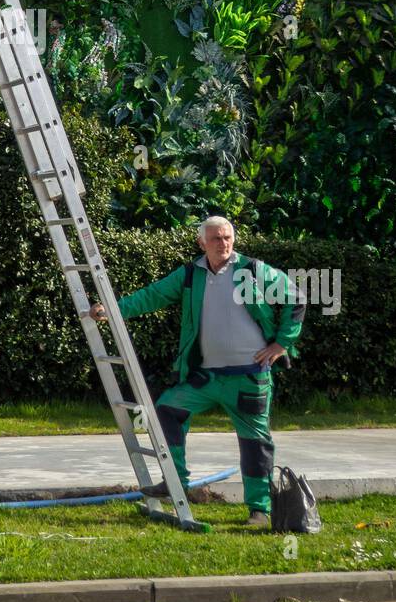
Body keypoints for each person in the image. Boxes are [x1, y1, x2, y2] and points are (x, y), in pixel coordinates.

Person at [90, 216, 305, 529]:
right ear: (202, 243)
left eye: (228, 237)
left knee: (254, 442)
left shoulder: (253, 270)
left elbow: (295, 297)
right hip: (206, 376)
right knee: (166, 409)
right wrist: (111, 309)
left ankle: (260, 512)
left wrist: (281, 344)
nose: (224, 244)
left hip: (249, 377)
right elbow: (152, 295)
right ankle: (176, 483)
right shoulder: (191, 274)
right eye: (216, 238)